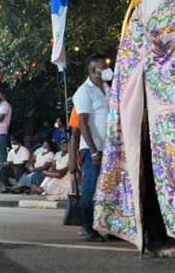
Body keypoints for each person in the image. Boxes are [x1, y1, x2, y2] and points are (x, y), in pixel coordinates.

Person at [73, 54, 112, 242]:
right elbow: (82, 124)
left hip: (109, 148)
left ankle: (111, 227)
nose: (107, 70)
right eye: (103, 67)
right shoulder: (84, 91)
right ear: (93, 70)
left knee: (109, 189)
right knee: (89, 190)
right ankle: (88, 228)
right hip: (92, 149)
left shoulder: (108, 88)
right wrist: (94, 150)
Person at [0, 87, 12, 168]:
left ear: (3, 96)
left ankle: (5, 169)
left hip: (1, 131)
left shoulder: (6, 105)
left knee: (2, 152)